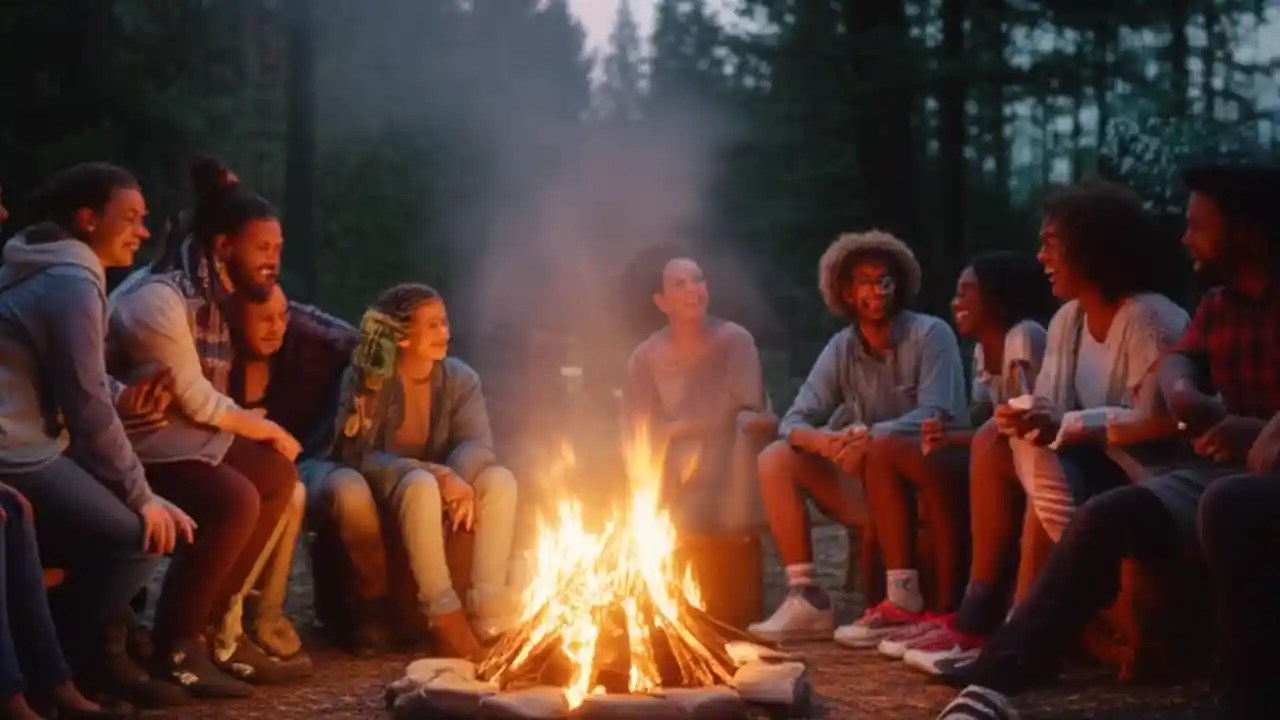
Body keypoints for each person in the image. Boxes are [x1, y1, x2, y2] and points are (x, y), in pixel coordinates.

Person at [937, 165, 1280, 720]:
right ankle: (1001, 672)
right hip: (1218, 473)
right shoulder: (1220, 305)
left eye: (1197, 226)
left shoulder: (1150, 313)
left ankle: (1243, 695)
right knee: (1105, 514)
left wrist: (1264, 430)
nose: (1184, 237)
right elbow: (1180, 360)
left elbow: (1157, 414)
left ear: (1247, 231)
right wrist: (1183, 386)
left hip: (1234, 479)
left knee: (1227, 503)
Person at [0, 163, 191, 709]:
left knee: (121, 526)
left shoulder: (35, 260)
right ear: (88, 219)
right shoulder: (70, 281)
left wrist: (120, 391)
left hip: (28, 441)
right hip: (16, 451)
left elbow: (69, 372)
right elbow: (86, 407)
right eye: (130, 217)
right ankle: (60, 665)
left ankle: (62, 668)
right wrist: (142, 496)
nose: (144, 231)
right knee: (136, 539)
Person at [108, 158, 302, 696]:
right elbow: (195, 398)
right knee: (235, 497)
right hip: (133, 439)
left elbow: (291, 323)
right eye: (262, 248)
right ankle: (175, 642)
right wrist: (264, 428)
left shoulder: (219, 293)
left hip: (176, 434)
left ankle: (219, 631)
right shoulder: (159, 299)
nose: (272, 261)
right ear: (222, 248)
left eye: (277, 249)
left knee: (277, 476)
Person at [748, 230, 968, 644]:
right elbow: (794, 419)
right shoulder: (841, 348)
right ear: (846, 292)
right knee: (775, 457)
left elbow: (939, 411)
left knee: (882, 449)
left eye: (884, 280)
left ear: (898, 284)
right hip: (864, 483)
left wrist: (865, 439)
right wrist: (828, 443)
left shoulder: (931, 334)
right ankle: (806, 598)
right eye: (863, 282)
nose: (875, 291)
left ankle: (904, 601)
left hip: (925, 484)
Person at [858, 252, 1055, 662]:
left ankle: (954, 608)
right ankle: (904, 593)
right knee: (890, 448)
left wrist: (955, 439)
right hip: (996, 455)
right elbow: (985, 422)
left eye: (966, 292)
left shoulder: (1025, 337)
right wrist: (948, 434)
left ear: (998, 300)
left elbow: (1024, 426)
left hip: (1035, 463)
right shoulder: (985, 351)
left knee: (928, 462)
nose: (955, 303)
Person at [325, 283, 519, 659]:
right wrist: (440, 476)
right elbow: (357, 454)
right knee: (421, 485)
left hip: (441, 476)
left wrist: (458, 478)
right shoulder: (369, 378)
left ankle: (489, 610)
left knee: (501, 481)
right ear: (401, 337)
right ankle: (442, 612)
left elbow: (478, 444)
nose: (444, 333)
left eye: (444, 323)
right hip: (380, 480)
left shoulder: (459, 379)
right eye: (432, 326)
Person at [622, 254, 775, 536]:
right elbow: (637, 424)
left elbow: (750, 407)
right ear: (661, 302)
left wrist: (681, 427)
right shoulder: (645, 356)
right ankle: (660, 543)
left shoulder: (734, 340)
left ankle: (739, 531)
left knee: (744, 426)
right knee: (647, 453)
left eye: (698, 280)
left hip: (731, 448)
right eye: (679, 284)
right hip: (677, 460)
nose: (692, 289)